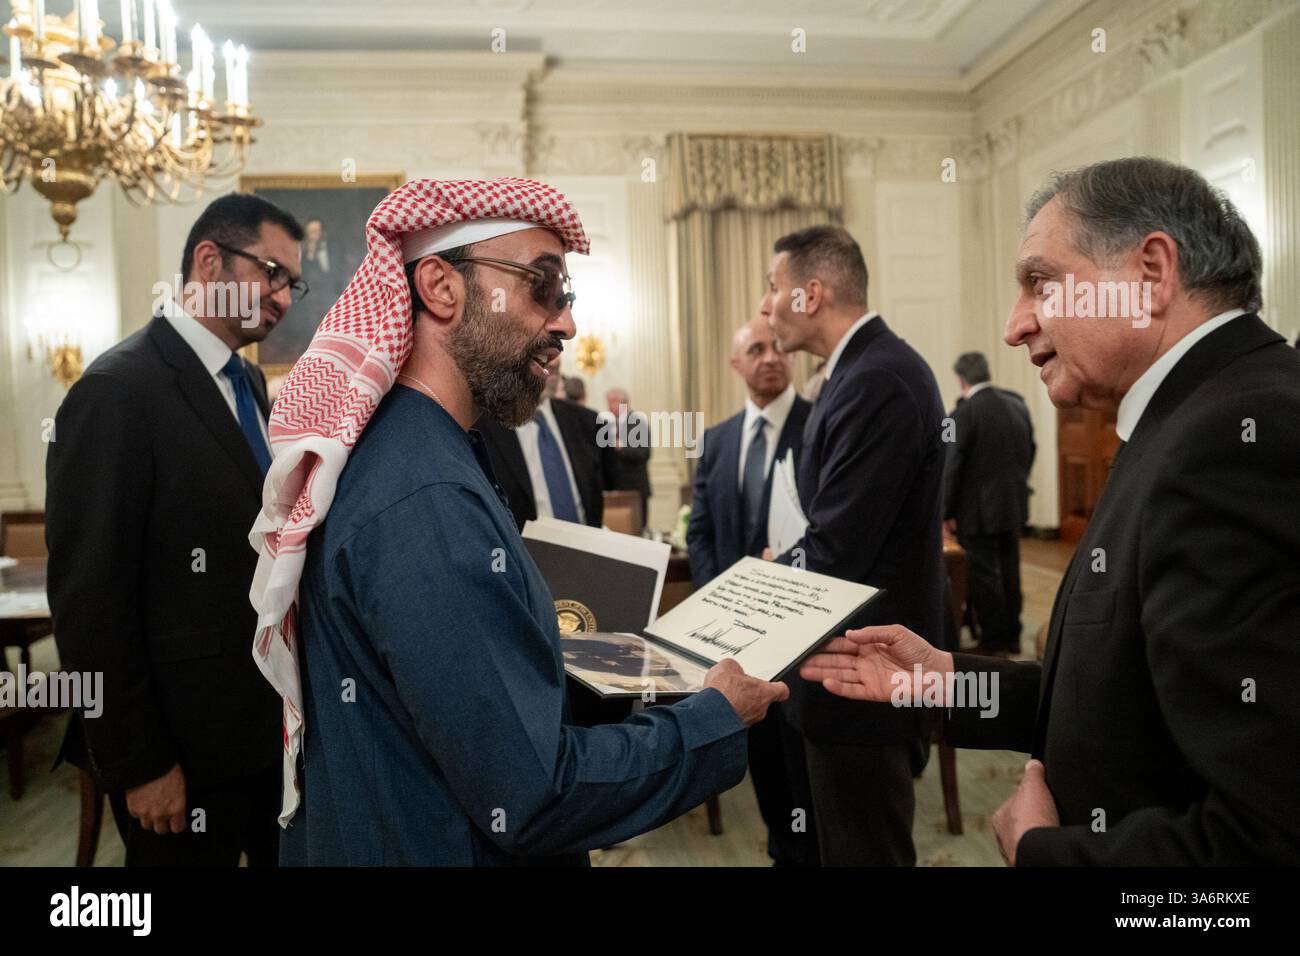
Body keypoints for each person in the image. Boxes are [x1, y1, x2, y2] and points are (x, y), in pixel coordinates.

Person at [248, 178, 787, 865]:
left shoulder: (425, 449)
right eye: (542, 286)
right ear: (441, 287)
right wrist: (712, 717)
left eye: (566, 297)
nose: (565, 323)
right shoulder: (426, 497)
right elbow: (533, 793)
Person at [800, 157, 1300, 866]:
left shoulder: (1231, 440)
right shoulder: (1194, 417)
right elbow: (1131, 703)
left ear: (1152, 274)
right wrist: (945, 678)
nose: (1013, 325)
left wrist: (1043, 853)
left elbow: (1267, 842)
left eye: (1040, 282)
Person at [46, 194, 306, 866]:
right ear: (209, 260)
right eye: (271, 272)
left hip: (262, 734)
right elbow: (89, 603)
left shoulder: (247, 380)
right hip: (176, 755)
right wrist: (140, 764)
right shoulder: (117, 388)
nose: (282, 297)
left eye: (292, 284)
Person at [762, 225, 946, 866]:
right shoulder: (853, 374)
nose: (766, 307)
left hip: (865, 676)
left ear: (811, 295)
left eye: (773, 288)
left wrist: (766, 579)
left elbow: (838, 547)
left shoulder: (879, 378)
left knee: (865, 854)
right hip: (840, 671)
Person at [687, 311, 816, 866]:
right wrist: (724, 602)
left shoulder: (821, 424)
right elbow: (702, 531)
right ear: (737, 363)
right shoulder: (716, 440)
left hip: (809, 637)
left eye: (777, 348)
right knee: (764, 760)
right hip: (740, 643)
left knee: (809, 769)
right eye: (756, 350)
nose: (770, 357)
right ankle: (782, 850)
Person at [943, 351, 1035, 655]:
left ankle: (994, 640)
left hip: (977, 510)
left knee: (984, 575)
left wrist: (946, 512)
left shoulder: (963, 414)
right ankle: (1013, 634)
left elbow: (952, 465)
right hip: (1013, 502)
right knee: (1010, 570)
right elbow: (1029, 449)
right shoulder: (1016, 403)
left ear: (961, 380)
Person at [478, 354, 619, 531]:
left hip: (586, 551)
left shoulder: (589, 422)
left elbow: (609, 481)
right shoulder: (481, 427)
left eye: (558, 343)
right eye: (540, 345)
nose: (554, 358)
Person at [604, 387, 652, 527]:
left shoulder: (638, 422)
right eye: (608, 402)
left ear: (625, 402)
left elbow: (644, 453)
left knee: (637, 529)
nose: (610, 406)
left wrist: (621, 447)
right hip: (614, 490)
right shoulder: (606, 424)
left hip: (635, 488)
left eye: (614, 401)